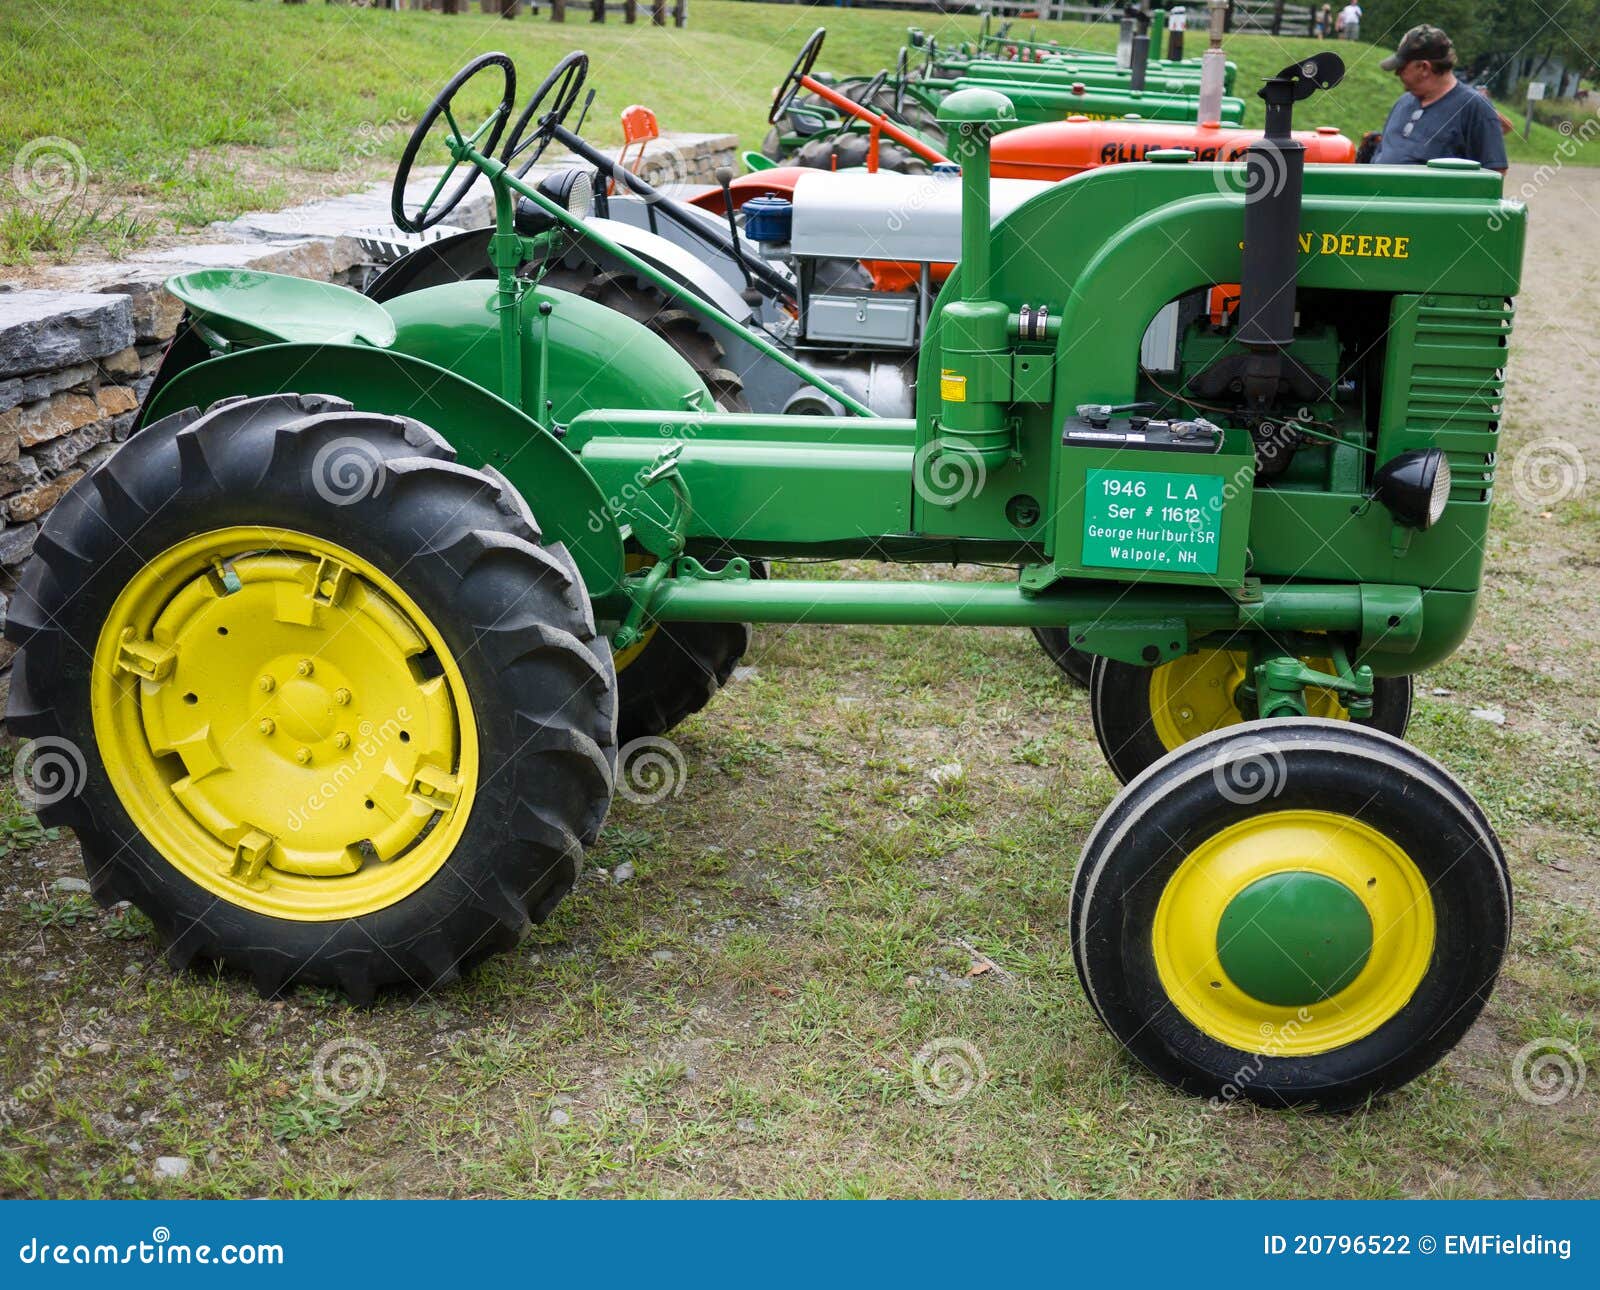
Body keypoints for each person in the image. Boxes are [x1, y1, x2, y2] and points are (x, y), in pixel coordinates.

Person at [1372, 26, 1508, 173]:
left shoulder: (1475, 107)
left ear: (1424, 68)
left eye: (1401, 68)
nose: (1396, 74)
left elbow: (1494, 174)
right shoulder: (1402, 102)